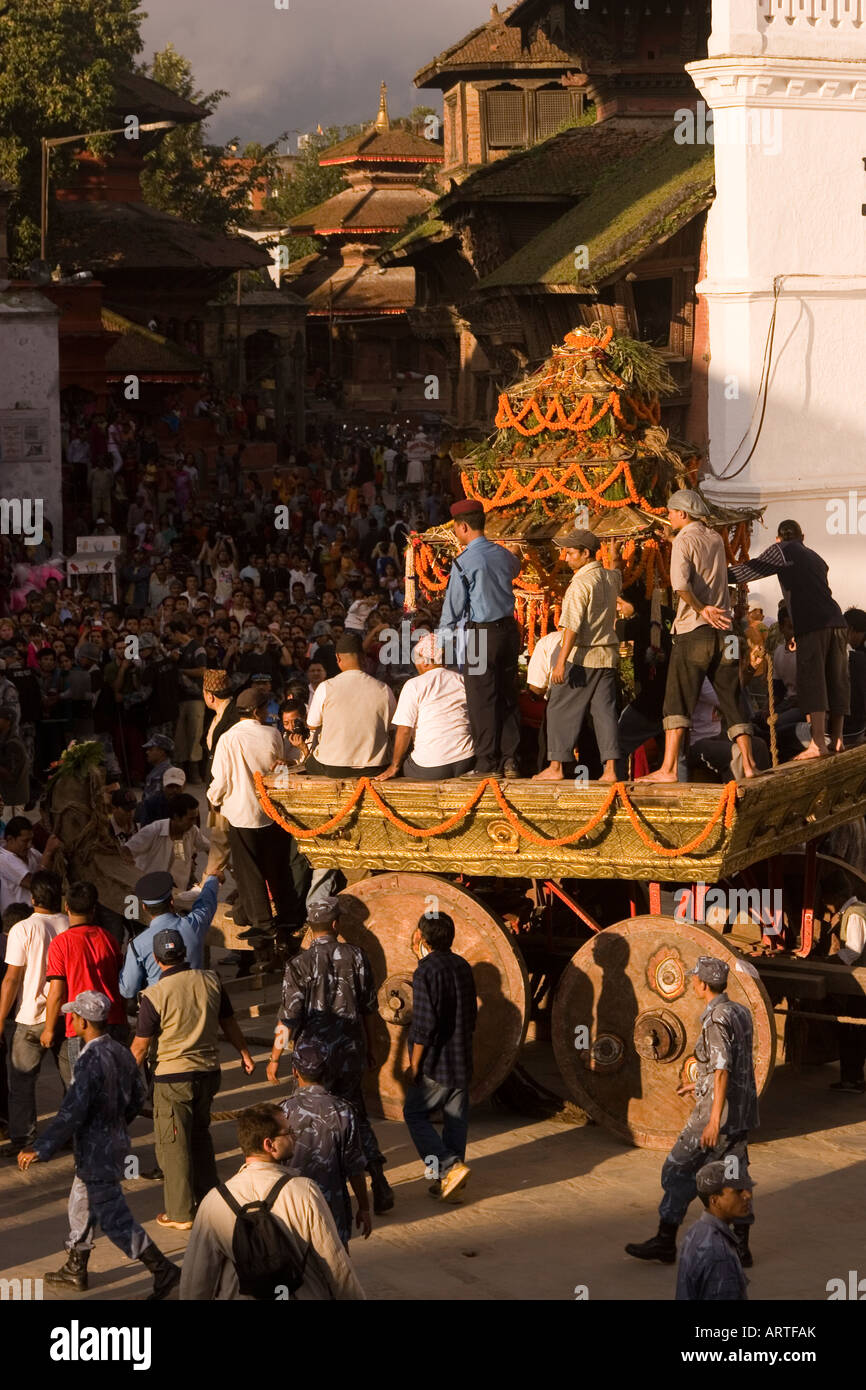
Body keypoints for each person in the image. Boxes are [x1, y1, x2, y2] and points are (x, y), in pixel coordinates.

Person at [18, 990, 181, 1299]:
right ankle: (76, 1265)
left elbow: (72, 1111)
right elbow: (136, 1095)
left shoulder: (89, 1059)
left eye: (73, 1015)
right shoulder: (121, 1051)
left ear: (83, 1021)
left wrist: (42, 1147)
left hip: (96, 1150)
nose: (70, 1019)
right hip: (115, 1143)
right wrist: (117, 1123)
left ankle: (163, 1271)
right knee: (81, 1204)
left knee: (113, 1216)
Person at [626, 955, 758, 1268]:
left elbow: (723, 1069)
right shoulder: (739, 1011)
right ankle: (741, 1249)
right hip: (741, 1112)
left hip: (717, 1115)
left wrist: (713, 1119)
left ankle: (665, 1240)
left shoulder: (715, 1020)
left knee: (677, 1169)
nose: (692, 982)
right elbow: (732, 1064)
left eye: (694, 978)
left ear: (701, 984)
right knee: (734, 1174)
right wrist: (698, 1083)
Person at [267, 896, 393, 1215]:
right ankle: (377, 1178)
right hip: (351, 1049)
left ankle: (314, 1188)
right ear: (336, 925)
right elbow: (368, 1008)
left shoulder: (298, 964)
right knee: (355, 1114)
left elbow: (288, 1017)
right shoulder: (358, 957)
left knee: (309, 1116)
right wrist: (372, 1046)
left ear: (312, 928)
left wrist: (274, 1056)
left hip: (313, 1057)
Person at [130, 928, 255, 1230]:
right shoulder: (212, 980)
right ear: (183, 953)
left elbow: (140, 1047)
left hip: (173, 1080)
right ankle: (211, 1198)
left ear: (158, 960)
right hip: (209, 1074)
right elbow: (229, 1022)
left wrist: (123, 1079)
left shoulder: (154, 996)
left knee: (173, 1146)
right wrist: (245, 1053)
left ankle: (180, 1213)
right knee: (200, 1137)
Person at [179, 1102, 365, 1300]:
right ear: (269, 1145)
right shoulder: (303, 1191)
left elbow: (196, 1279)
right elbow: (335, 1263)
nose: (294, 1136)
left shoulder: (215, 1201)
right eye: (288, 1132)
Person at [640, 490, 758, 782]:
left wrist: (701, 608)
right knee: (731, 699)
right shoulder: (715, 538)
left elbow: (680, 586)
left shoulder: (684, 540)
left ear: (682, 513)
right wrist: (672, 540)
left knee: (677, 700)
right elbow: (702, 561)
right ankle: (750, 765)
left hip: (696, 631)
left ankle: (667, 770)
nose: (668, 516)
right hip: (725, 633)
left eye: (670, 512)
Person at [730, 519, 849, 761]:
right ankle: (837, 739)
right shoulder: (815, 557)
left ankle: (817, 743)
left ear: (778, 538)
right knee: (836, 680)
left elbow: (748, 570)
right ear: (802, 536)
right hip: (837, 621)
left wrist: (715, 574)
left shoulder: (781, 550)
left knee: (814, 680)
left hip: (812, 625)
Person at [207, 685, 306, 937]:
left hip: (242, 812)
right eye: (265, 708)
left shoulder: (229, 738)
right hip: (271, 812)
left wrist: (212, 798)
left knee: (249, 871)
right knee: (277, 867)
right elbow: (279, 770)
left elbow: (221, 779)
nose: (267, 712)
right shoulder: (272, 734)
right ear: (256, 711)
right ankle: (288, 916)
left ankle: (262, 923)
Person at [438, 500, 521, 778]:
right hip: (509, 632)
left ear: (463, 527)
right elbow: (516, 567)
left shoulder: (463, 562)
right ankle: (511, 760)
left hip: (481, 635)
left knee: (481, 699)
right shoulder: (503, 554)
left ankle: (487, 764)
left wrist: (442, 645)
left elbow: (453, 609)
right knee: (507, 694)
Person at [534, 529, 622, 784]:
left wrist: (560, 662)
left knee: (558, 708)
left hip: (582, 658)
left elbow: (570, 627)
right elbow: (617, 572)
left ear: (585, 554)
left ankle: (556, 766)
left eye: (571, 552)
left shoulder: (581, 584)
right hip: (606, 657)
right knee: (604, 713)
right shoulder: (608, 578)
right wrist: (615, 558)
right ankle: (611, 771)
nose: (565, 557)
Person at [403, 910, 477, 1202]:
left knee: (415, 1114)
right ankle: (452, 1182)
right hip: (461, 1056)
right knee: (455, 1118)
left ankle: (448, 1166)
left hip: (436, 1061)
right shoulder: (462, 965)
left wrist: (414, 1064)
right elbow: (470, 1013)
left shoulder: (425, 972)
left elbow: (424, 1026)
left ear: (421, 937)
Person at [0, 872, 68, 1156]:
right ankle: (69, 1134)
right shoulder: (69, 923)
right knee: (72, 1081)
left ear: (32, 898)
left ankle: (23, 1140)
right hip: (66, 1014)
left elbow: (12, 979)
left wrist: (1, 1019)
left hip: (30, 1016)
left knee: (22, 1083)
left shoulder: (22, 929)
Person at [280, 1037, 371, 1248]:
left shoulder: (282, 1112)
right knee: (337, 1273)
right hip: (332, 1213)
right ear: (328, 1071)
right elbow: (355, 1167)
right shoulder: (344, 1112)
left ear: (295, 1071)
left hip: (292, 1213)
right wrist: (364, 1208)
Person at [42, 880, 127, 1085]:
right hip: (113, 1020)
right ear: (94, 908)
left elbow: (56, 992)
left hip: (80, 1027)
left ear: (66, 907)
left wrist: (49, 1028)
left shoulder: (61, 944)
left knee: (83, 1090)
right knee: (112, 1087)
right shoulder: (108, 939)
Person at [375, 630, 475, 781]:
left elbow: (404, 731)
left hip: (430, 767)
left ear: (427, 661)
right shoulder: (462, 681)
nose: (416, 664)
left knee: (405, 765)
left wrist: (394, 766)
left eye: (417, 659)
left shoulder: (414, 685)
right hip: (467, 760)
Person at [304, 631, 396, 778]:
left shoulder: (326, 687)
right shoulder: (384, 689)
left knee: (311, 757)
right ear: (363, 658)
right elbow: (393, 728)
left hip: (334, 767)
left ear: (338, 658)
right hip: (375, 767)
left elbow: (312, 725)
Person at [119, 870, 220, 996]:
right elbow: (206, 903)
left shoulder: (137, 944)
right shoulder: (193, 925)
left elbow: (128, 990)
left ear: (144, 907)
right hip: (197, 1002)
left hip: (160, 1008)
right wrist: (213, 878)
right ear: (171, 901)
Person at [675, 1160, 752, 1301]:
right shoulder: (720, 1254)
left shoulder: (697, 1230)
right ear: (715, 1200)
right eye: (738, 1191)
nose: (747, 1195)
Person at [124, 793, 210, 906]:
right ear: (176, 817)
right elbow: (126, 850)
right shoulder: (153, 830)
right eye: (190, 819)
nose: (194, 823)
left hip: (174, 894)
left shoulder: (191, 831)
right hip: (146, 891)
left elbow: (210, 848)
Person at [0, 816, 62, 913]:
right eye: (24, 841)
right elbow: (33, 883)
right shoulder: (3, 859)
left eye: (30, 840)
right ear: (10, 839)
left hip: (34, 916)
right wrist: (48, 852)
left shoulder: (32, 853)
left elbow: (49, 872)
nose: (29, 845)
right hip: (16, 920)